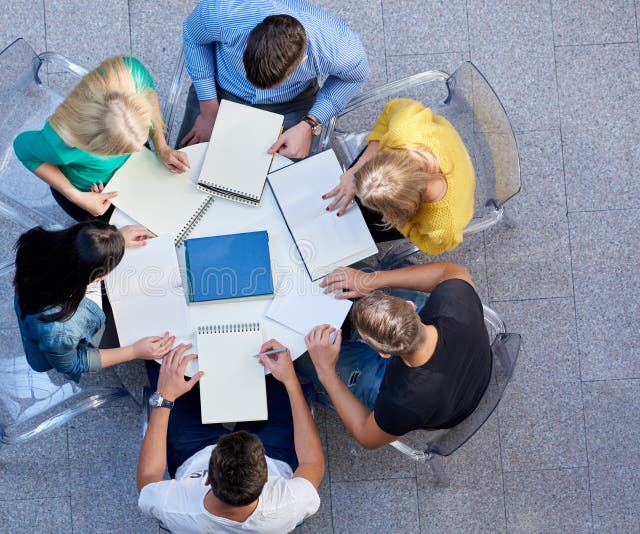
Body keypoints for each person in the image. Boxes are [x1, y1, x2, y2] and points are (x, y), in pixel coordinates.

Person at [294, 261, 491, 449]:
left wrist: (326, 372)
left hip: (445, 405)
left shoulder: (401, 402)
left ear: (383, 353)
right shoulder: (457, 303)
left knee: (302, 355)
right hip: (475, 366)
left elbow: (367, 436)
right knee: (350, 273)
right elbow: (451, 271)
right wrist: (368, 280)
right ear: (410, 306)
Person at [136, 341, 324, 533]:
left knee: (166, 361)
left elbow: (148, 479)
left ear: (207, 479)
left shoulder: (173, 507)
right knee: (275, 359)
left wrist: (165, 398)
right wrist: (291, 381)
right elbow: (311, 462)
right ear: (266, 479)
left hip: (192, 453)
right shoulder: (291, 502)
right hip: (275, 452)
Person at [178, 0, 370, 159]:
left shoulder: (338, 47)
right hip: (220, 91)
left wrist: (309, 124)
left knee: (288, 179)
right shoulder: (222, 11)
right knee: (185, 161)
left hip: (291, 104)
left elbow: (353, 78)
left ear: (303, 59)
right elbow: (193, 38)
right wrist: (208, 110)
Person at [13, 56, 190, 222]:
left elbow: (148, 90)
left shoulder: (130, 72)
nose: (139, 150)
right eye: (120, 151)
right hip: (90, 194)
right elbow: (23, 150)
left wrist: (161, 146)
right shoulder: (58, 144)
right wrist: (78, 197)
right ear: (92, 145)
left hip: (133, 173)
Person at [13, 220, 175, 382]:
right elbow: (72, 364)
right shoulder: (61, 332)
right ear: (97, 278)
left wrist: (110, 241)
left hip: (36, 302)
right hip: (50, 344)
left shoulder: (47, 233)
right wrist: (134, 351)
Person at [324, 98, 475, 255]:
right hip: (442, 145)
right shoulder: (404, 129)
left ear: (401, 211)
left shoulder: (443, 226)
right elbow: (392, 108)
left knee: (359, 231)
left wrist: (406, 226)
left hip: (458, 185)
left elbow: (434, 247)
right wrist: (356, 169)